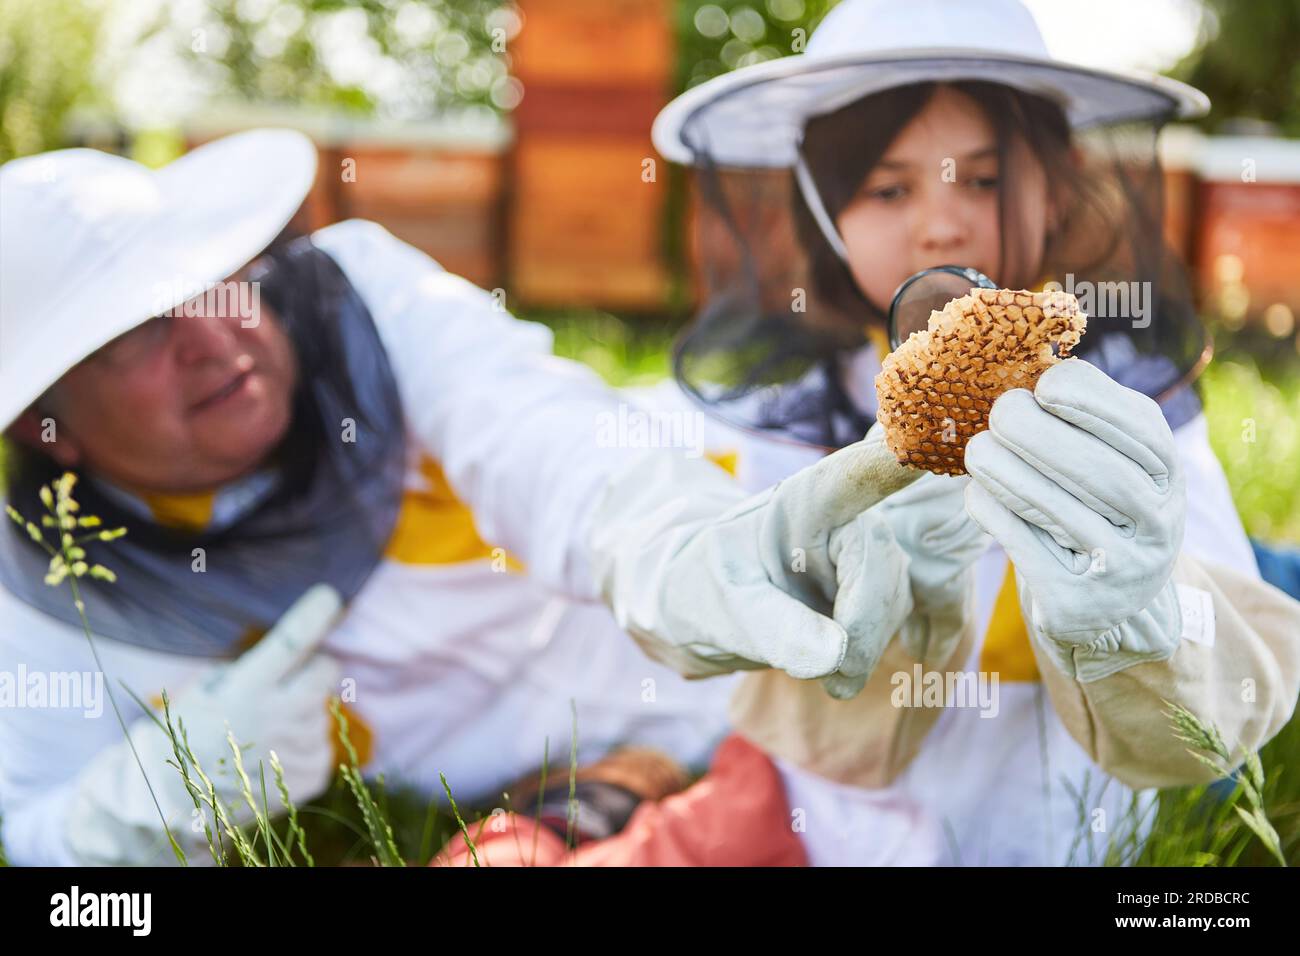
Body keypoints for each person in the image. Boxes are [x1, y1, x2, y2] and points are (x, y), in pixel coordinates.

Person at [441, 0, 1300, 867]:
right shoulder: (781, 417)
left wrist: (1143, 609)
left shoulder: (1128, 412)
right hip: (817, 819)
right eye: (889, 188)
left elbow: (1226, 686)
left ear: (1055, 184)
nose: (941, 221)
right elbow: (689, 579)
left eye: (986, 179)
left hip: (1058, 829)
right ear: (825, 214)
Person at [0, 130, 924, 866]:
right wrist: (152, 799)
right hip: (610, 768)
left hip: (762, 516)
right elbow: (37, 839)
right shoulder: (53, 595)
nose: (210, 335)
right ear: (48, 427)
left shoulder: (369, 300)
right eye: (139, 330)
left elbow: (543, 439)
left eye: (209, 281)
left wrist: (673, 547)